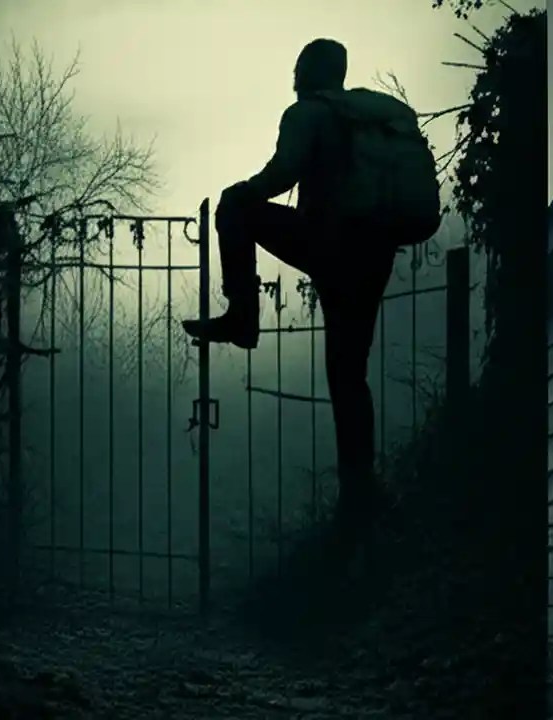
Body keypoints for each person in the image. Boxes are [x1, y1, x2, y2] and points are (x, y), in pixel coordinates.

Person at [182, 38, 398, 558]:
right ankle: (359, 493)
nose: (293, 74)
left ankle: (242, 316)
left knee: (234, 205)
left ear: (307, 71)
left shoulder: (307, 114)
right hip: (375, 251)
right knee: (350, 374)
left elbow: (284, 173)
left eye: (298, 66)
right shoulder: (367, 119)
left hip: (330, 244)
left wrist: (246, 191)